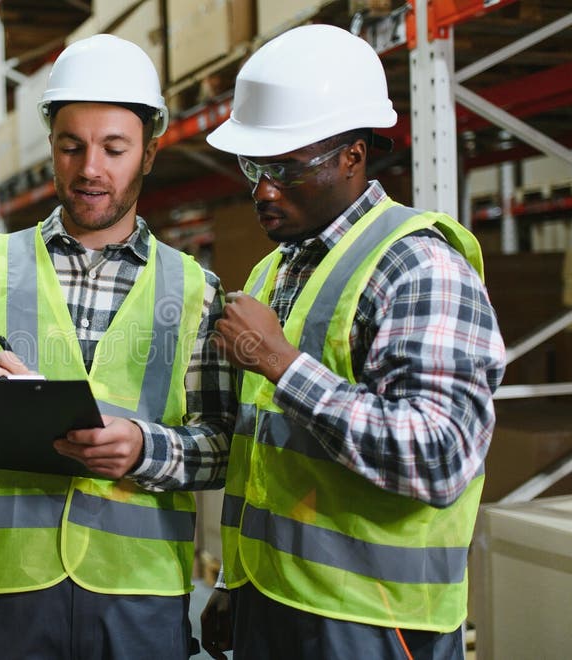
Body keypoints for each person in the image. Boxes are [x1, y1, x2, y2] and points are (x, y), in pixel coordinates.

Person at [0, 34, 235, 659]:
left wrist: (144, 447)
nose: (90, 169)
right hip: (6, 591)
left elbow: (222, 446)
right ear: (52, 148)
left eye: (114, 149)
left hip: (139, 600)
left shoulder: (195, 289)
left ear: (148, 153)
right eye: (71, 146)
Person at [199, 24, 506, 659]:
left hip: (374, 622)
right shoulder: (273, 271)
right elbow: (259, 459)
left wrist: (282, 365)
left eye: (286, 166)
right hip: (274, 603)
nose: (262, 189)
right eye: (254, 166)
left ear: (352, 155)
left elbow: (440, 455)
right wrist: (236, 583)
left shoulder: (419, 267)